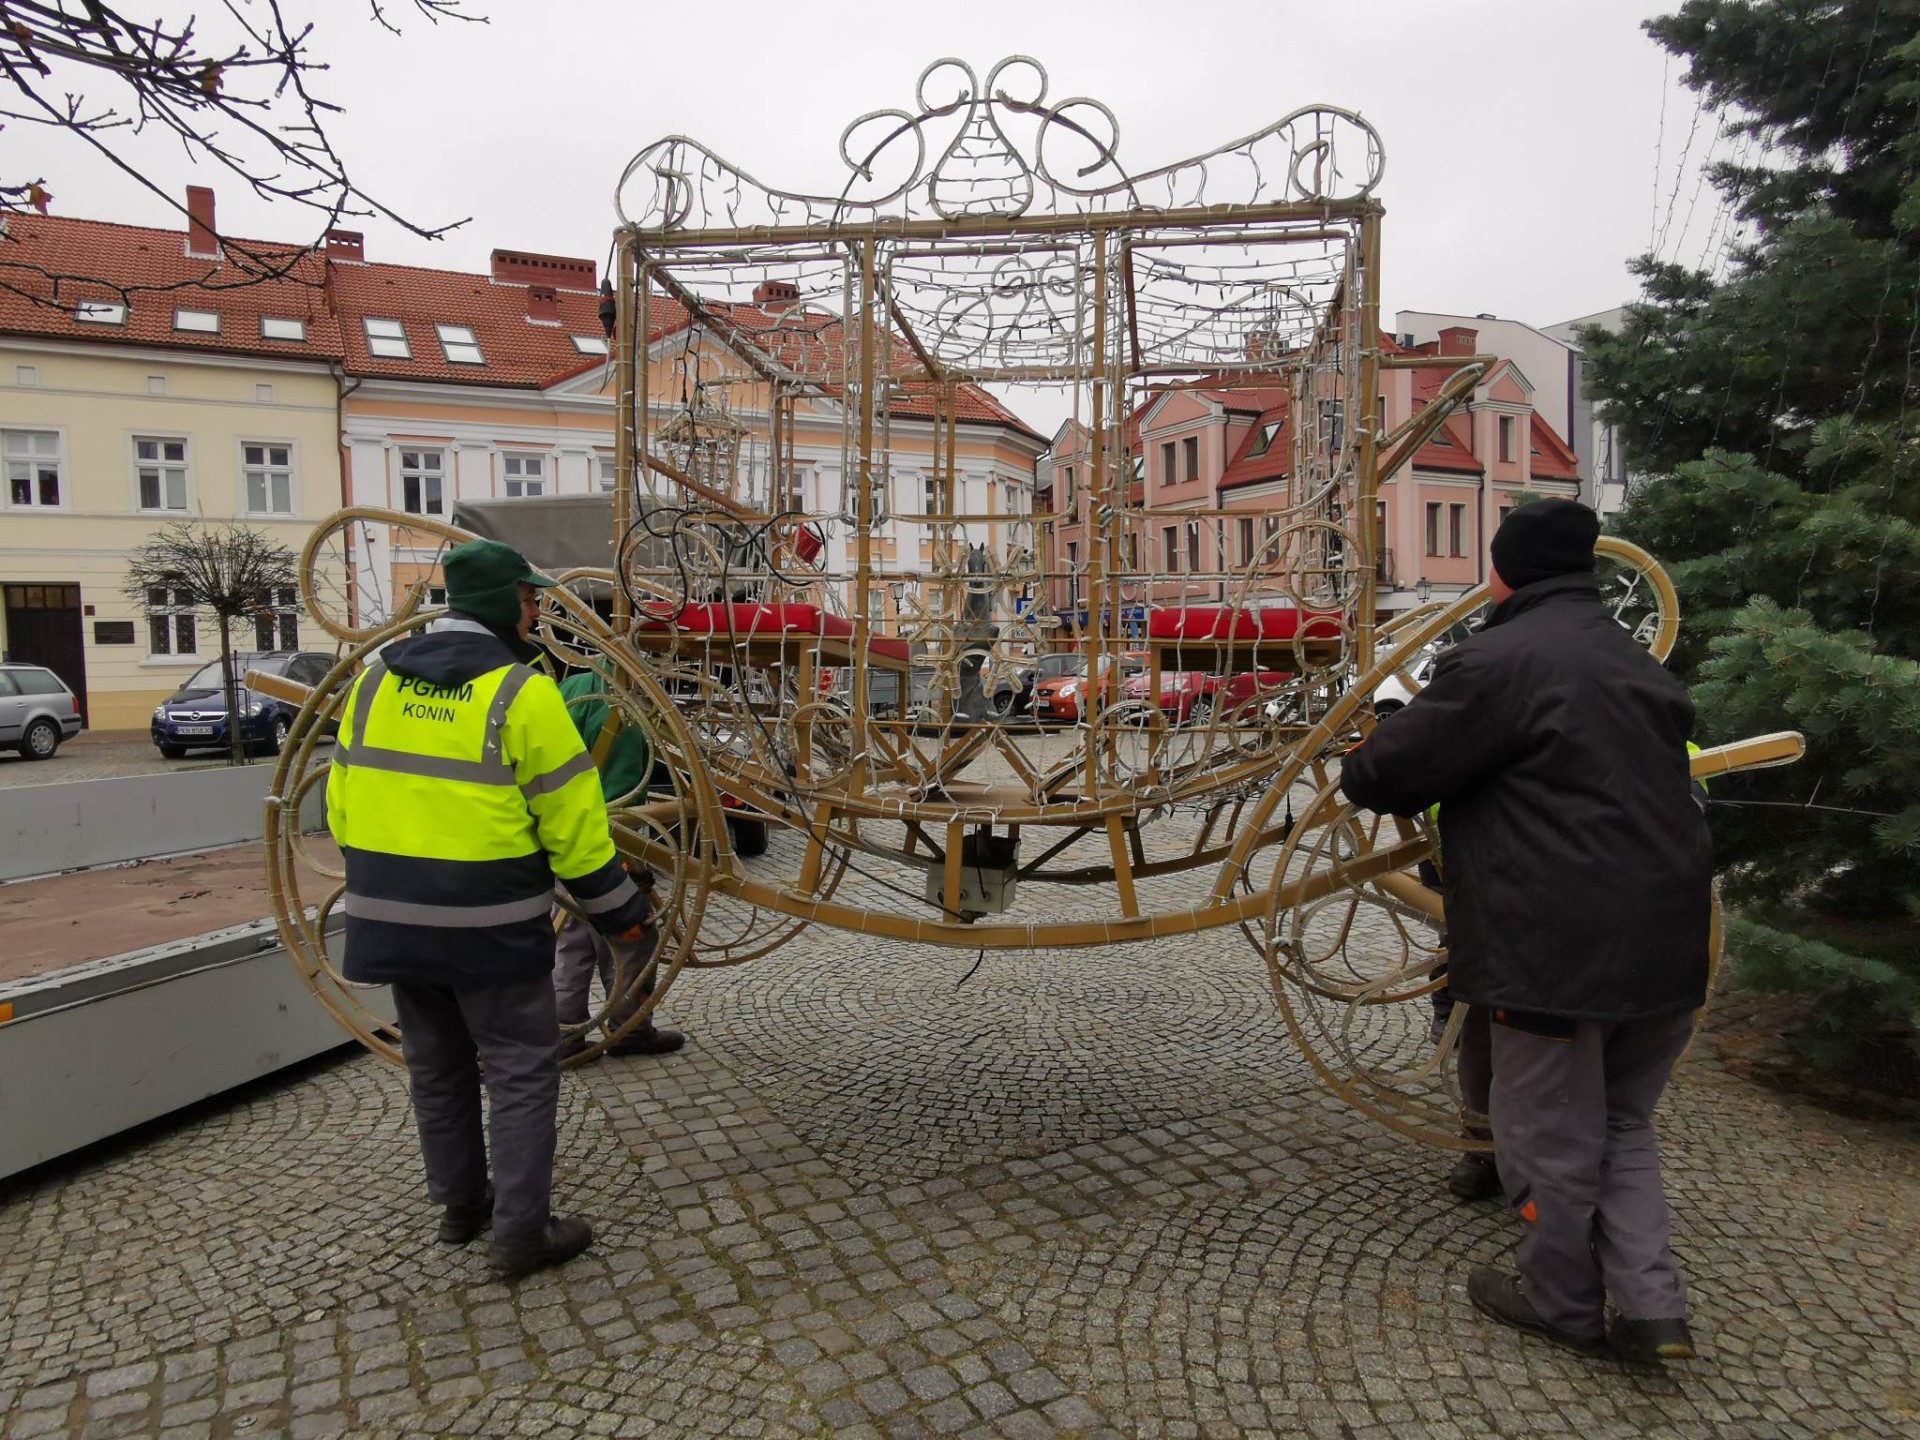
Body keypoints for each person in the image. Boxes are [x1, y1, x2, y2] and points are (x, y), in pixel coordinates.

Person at [1340, 499, 1710, 1365]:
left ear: (1505, 570)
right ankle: (1654, 1310)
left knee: (1548, 1133)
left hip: (1555, 951)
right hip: (1667, 943)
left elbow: (1380, 777)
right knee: (1620, 1123)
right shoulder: (1633, 660)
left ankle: (1562, 1303)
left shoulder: (1499, 660)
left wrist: (1380, 740)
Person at [327, 539, 656, 1280]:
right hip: (489, 927)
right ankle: (521, 1234)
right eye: (530, 600)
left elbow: (340, 808)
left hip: (391, 919)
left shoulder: (372, 685)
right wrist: (623, 915)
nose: (536, 614)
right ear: (504, 603)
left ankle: (461, 1206)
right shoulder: (523, 694)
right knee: (520, 1071)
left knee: (437, 1068)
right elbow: (574, 831)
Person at [553, 663, 684, 1058]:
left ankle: (564, 1033)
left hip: (567, 834)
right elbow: (626, 792)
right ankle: (630, 1030)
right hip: (610, 843)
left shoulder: (570, 689)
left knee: (571, 938)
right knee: (631, 937)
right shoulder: (625, 706)